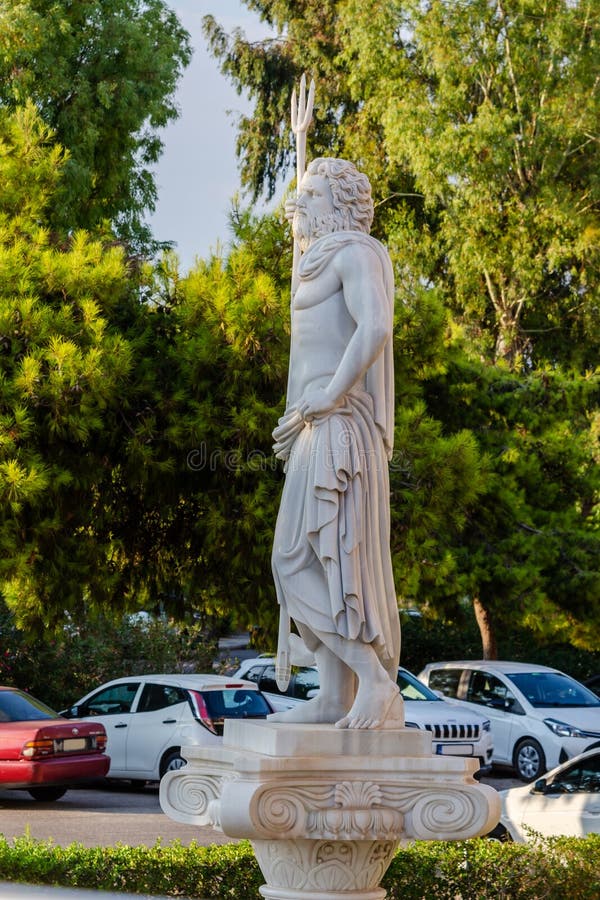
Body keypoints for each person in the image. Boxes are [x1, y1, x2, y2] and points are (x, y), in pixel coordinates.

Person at [270, 157, 403, 730]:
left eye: (314, 195)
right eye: (301, 195)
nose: (302, 203)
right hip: (310, 425)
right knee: (319, 564)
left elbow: (375, 326)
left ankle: (374, 683)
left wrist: (329, 395)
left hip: (337, 425)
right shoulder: (315, 259)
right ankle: (333, 697)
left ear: (343, 206)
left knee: (306, 558)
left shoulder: (356, 252)